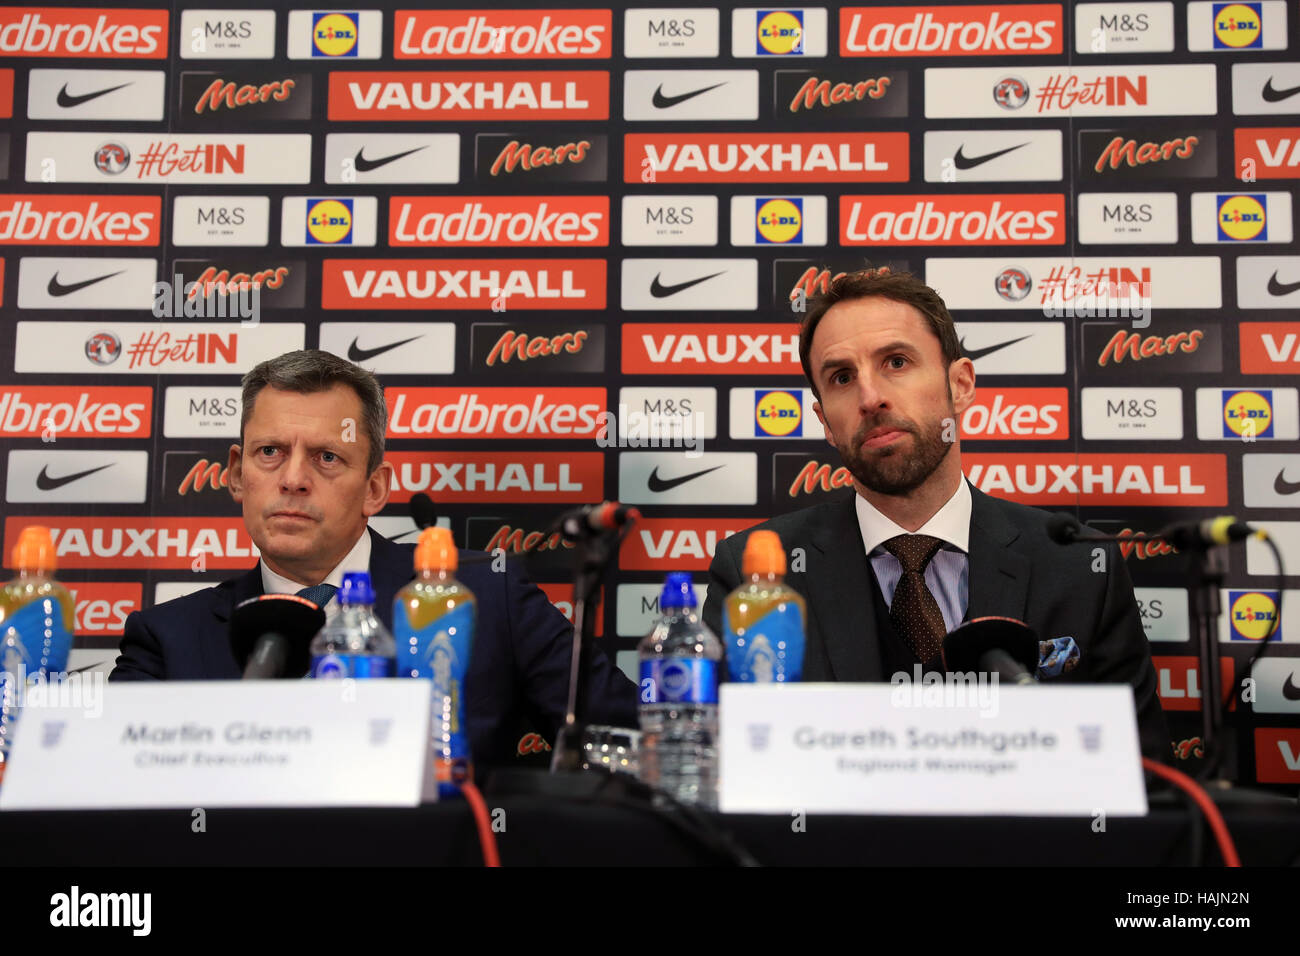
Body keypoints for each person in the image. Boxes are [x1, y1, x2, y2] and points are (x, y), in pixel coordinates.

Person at [701, 269, 1170, 763]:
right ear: (825, 423)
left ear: (960, 384)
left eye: (896, 362)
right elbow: (728, 772)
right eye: (842, 377)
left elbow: (1145, 782)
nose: (870, 398)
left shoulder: (1079, 567)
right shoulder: (754, 576)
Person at [110, 350, 638, 765]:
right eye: (269, 452)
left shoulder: (487, 598)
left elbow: (633, 738)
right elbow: (108, 792)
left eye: (327, 457)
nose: (292, 479)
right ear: (235, 473)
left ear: (375, 489)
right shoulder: (167, 639)